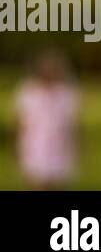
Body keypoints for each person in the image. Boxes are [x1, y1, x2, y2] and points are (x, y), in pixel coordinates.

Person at [13, 51, 81, 189]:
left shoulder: (67, 93)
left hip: (60, 147)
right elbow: (21, 123)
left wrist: (76, 147)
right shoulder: (28, 92)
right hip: (35, 146)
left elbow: (73, 123)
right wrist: (18, 148)